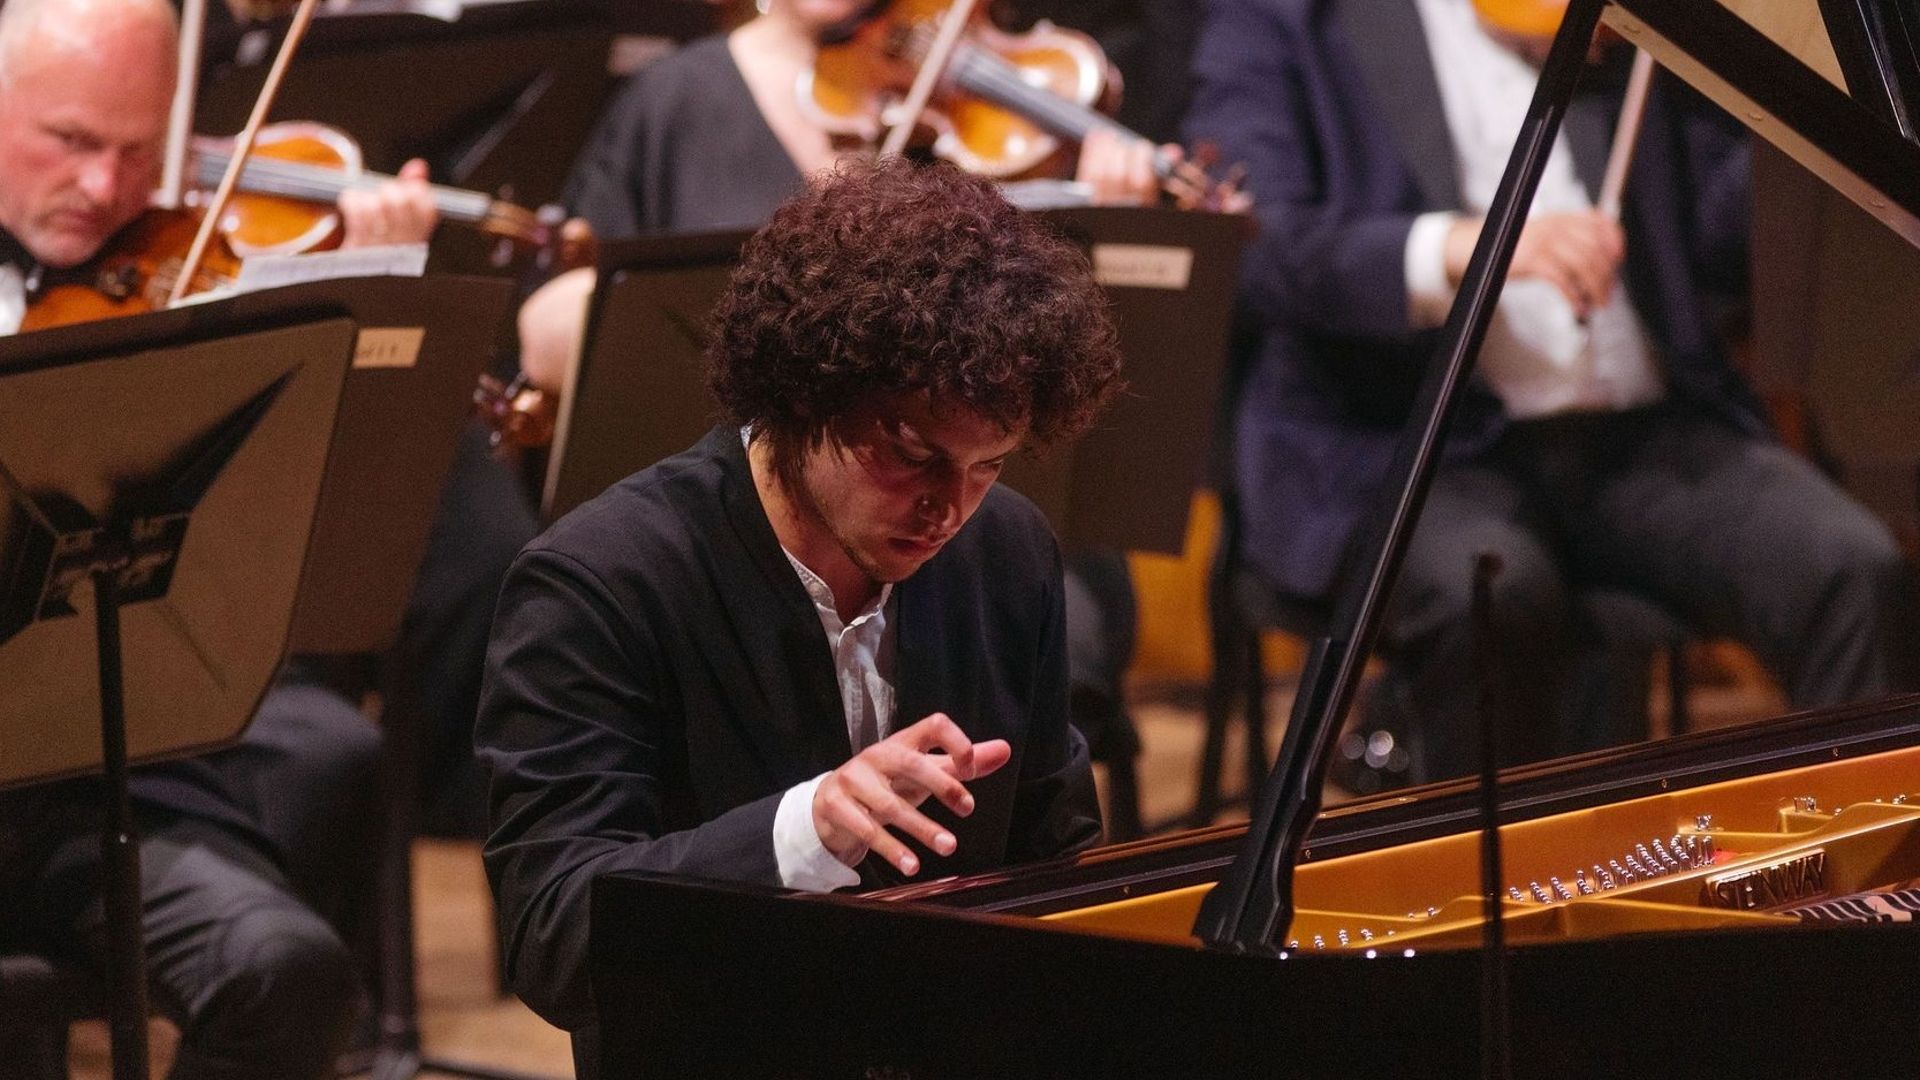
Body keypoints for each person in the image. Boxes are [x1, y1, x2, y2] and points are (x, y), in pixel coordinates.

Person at [476, 157, 1121, 1072]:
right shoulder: (599, 580)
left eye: (989, 467)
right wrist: (803, 830)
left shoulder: (1008, 553)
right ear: (806, 388)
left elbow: (1057, 859)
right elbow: (555, 935)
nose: (950, 511)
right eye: (911, 455)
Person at [1185, 0, 1913, 781]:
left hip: (1643, 435)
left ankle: (1864, 875)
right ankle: (1509, 892)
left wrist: (1791, 102)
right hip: (1406, 446)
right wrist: (1458, 246)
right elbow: (1256, 243)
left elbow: (1718, 236)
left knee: (1851, 568)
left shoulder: (1627, 22)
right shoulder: (1284, 19)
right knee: (1491, 594)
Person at [0, 0, 438, 1075]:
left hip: (96, 771)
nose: (106, 190)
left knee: (287, 971)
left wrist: (372, 313)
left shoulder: (171, 267)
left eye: (138, 151)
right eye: (69, 141)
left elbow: (313, 545)